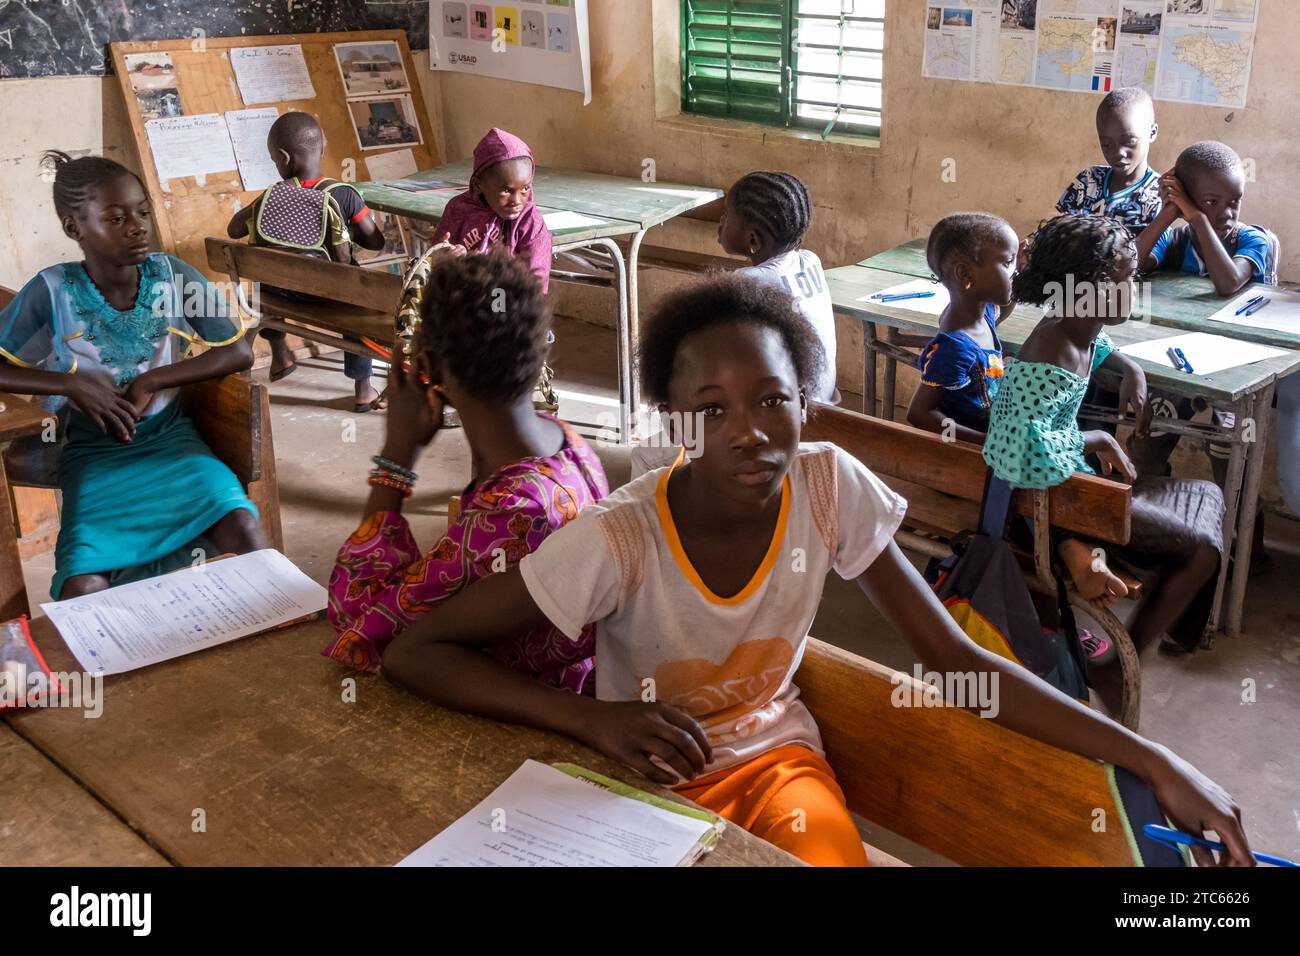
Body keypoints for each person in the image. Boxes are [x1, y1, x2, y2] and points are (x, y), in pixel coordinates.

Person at [0, 151, 265, 599]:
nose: (138, 225)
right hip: (93, 453)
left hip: (172, 444)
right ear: (74, 228)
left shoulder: (173, 276)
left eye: (141, 212)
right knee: (81, 588)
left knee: (246, 530)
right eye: (117, 218)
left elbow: (237, 352)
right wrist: (69, 384)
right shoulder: (51, 289)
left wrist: (152, 380)